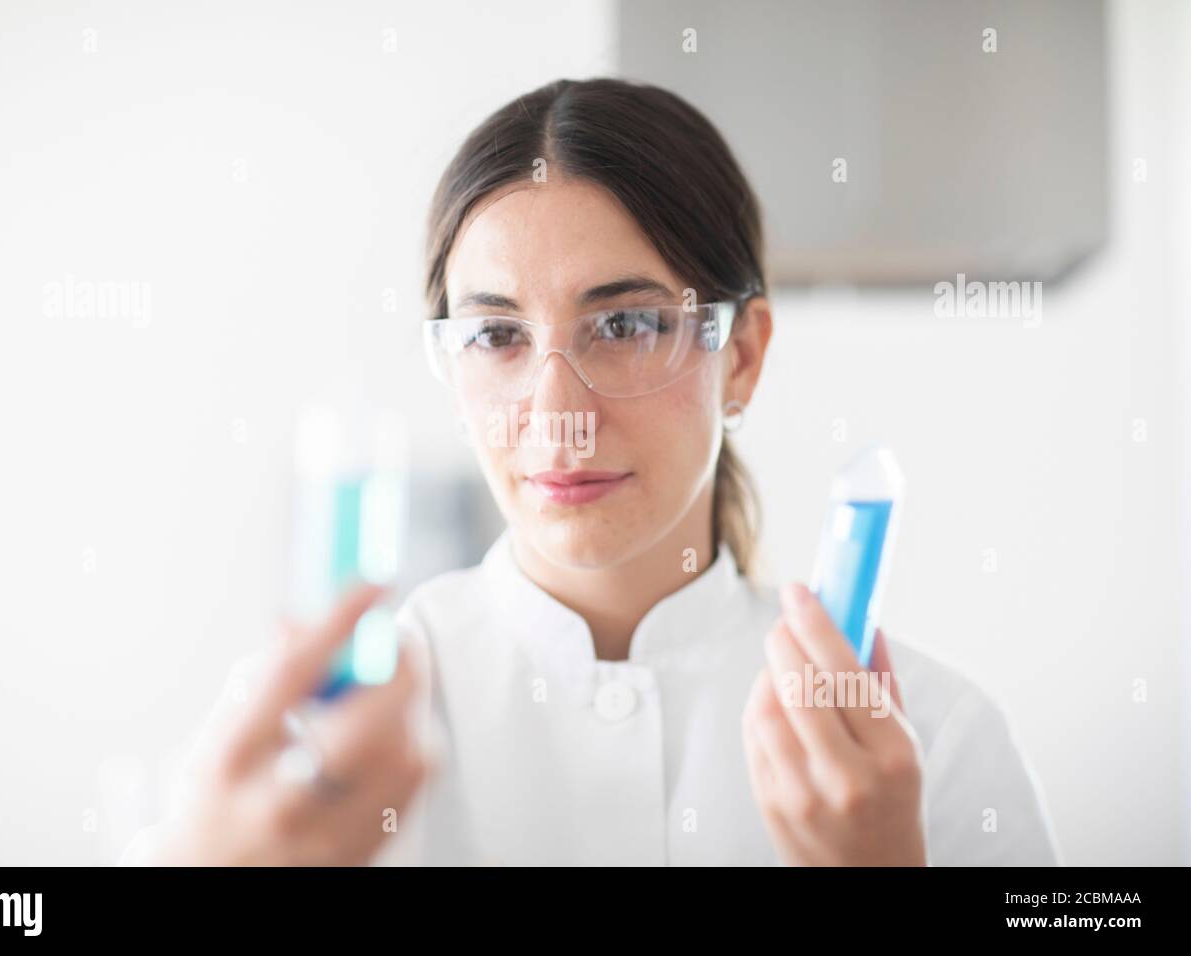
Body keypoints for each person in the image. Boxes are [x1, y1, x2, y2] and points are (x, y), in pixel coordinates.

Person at [121, 77, 1060, 866]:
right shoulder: (314, 750)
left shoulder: (928, 746)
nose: (558, 415)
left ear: (740, 356)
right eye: (496, 335)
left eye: (624, 325)